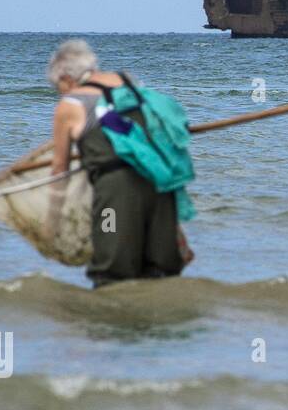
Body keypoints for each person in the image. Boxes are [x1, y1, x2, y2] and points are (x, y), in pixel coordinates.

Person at [46, 39, 192, 287]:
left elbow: (60, 169)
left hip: (113, 197)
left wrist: (53, 219)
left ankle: (112, 324)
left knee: (110, 268)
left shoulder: (70, 105)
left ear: (67, 78)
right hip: (159, 189)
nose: (60, 93)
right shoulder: (132, 86)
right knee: (162, 272)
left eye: (58, 86)